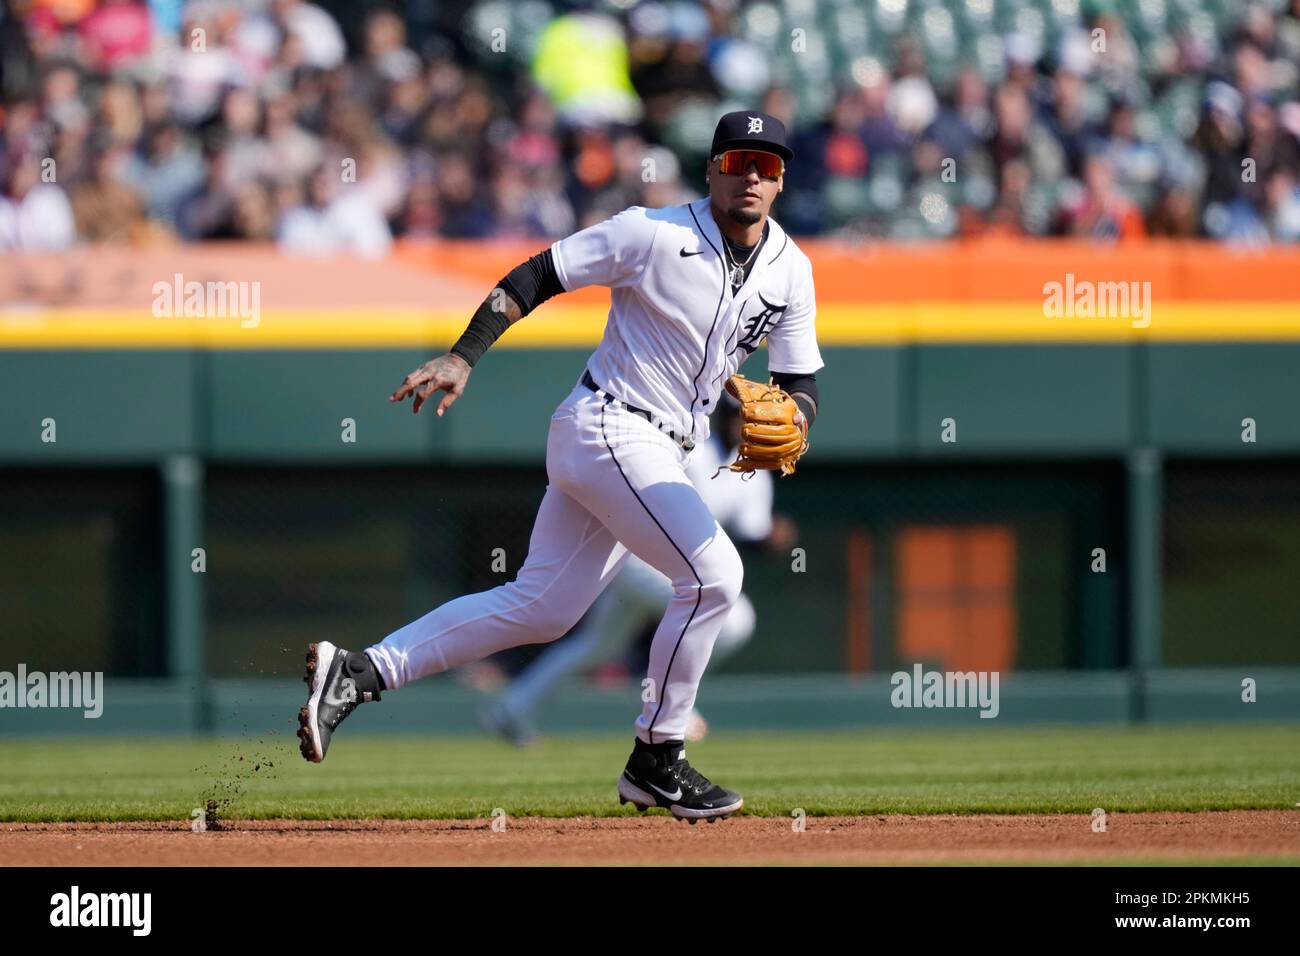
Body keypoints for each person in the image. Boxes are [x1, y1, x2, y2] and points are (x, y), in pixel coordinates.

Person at [297, 110, 824, 823]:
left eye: (766, 166)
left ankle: (357, 672)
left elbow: (800, 384)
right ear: (711, 170)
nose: (752, 176)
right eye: (737, 163)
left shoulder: (792, 269)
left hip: (656, 447)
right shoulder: (652, 232)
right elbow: (536, 274)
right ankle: (658, 758)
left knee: (543, 608)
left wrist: (796, 419)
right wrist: (463, 355)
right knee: (714, 577)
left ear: (782, 178)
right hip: (609, 423)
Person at [478, 395, 796, 746]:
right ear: (721, 415)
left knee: (598, 646)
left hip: (672, 564)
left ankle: (511, 708)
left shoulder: (751, 469)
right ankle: (662, 697)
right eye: (737, 415)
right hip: (639, 557)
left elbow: (752, 534)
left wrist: (772, 540)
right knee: (730, 617)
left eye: (749, 418)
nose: (742, 423)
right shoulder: (693, 446)